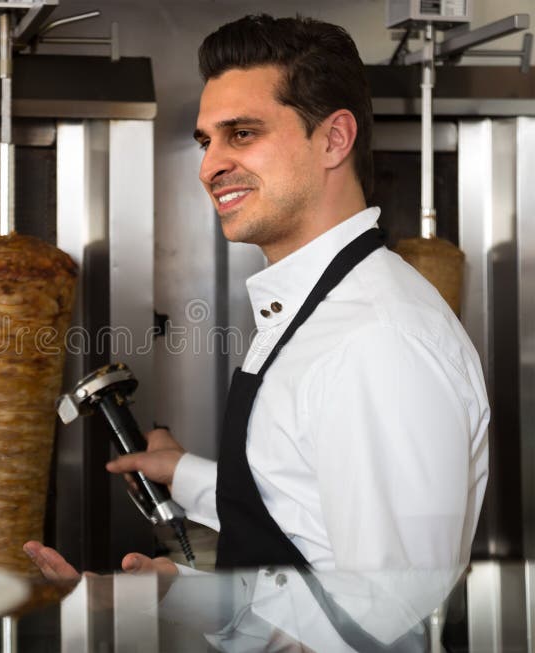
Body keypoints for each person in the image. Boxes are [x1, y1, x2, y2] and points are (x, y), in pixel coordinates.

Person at [25, 13, 489, 650]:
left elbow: (379, 620)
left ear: (333, 140)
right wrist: (181, 484)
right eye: (205, 141)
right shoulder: (313, 307)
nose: (210, 165)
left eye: (241, 134)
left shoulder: (377, 338)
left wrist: (180, 598)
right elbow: (304, 511)